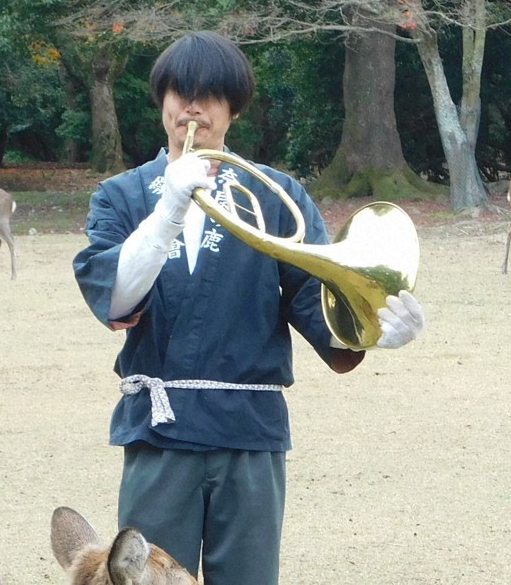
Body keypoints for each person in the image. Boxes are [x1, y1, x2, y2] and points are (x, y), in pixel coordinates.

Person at [72, 31, 425, 584]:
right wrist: (168, 206)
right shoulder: (121, 195)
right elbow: (115, 296)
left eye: (211, 96)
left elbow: (319, 307)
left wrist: (376, 328)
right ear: (161, 100)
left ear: (232, 109)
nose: (193, 108)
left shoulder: (275, 195)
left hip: (250, 434)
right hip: (159, 433)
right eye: (180, 93)